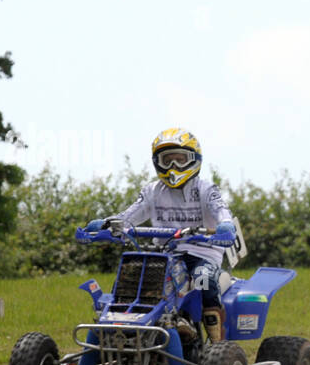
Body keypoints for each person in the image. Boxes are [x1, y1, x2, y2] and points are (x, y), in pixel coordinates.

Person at [86, 128, 238, 342]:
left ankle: (217, 346)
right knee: (129, 276)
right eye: (167, 160)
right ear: (158, 162)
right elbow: (130, 215)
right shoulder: (153, 191)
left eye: (180, 159)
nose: (174, 167)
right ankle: (121, 335)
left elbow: (220, 209)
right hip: (165, 254)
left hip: (202, 253)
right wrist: (108, 224)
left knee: (204, 280)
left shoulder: (205, 189)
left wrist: (225, 225)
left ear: (194, 160)